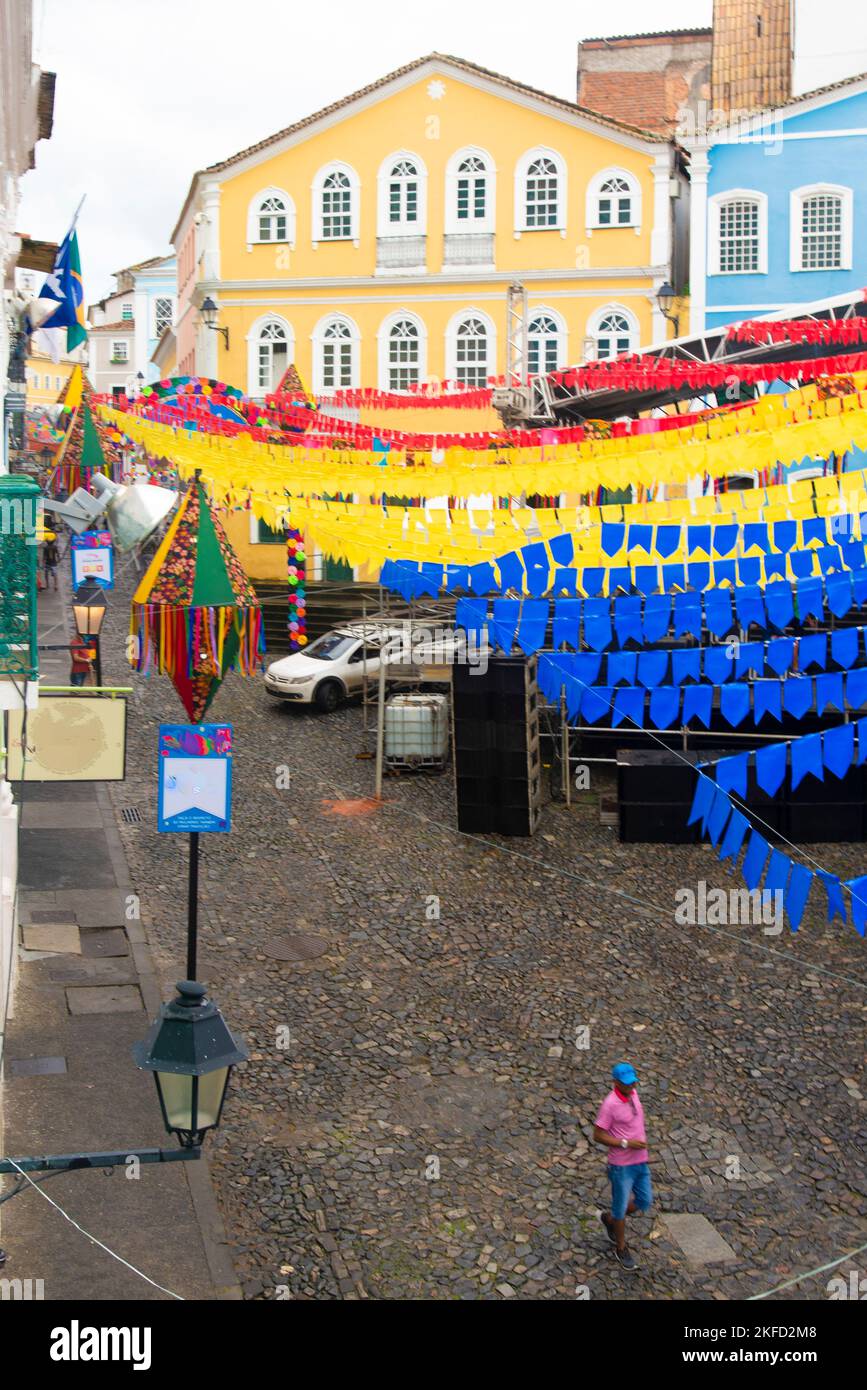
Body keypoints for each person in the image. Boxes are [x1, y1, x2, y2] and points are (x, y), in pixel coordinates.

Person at [593, 1062, 652, 1272]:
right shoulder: (609, 1105)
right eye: (627, 1084)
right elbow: (598, 1135)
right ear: (615, 1082)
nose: (632, 1087)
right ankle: (621, 1247)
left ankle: (610, 1219)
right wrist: (627, 1143)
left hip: (640, 1160)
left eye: (634, 1082)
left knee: (644, 1200)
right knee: (620, 1207)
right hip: (621, 1166)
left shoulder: (633, 1094)